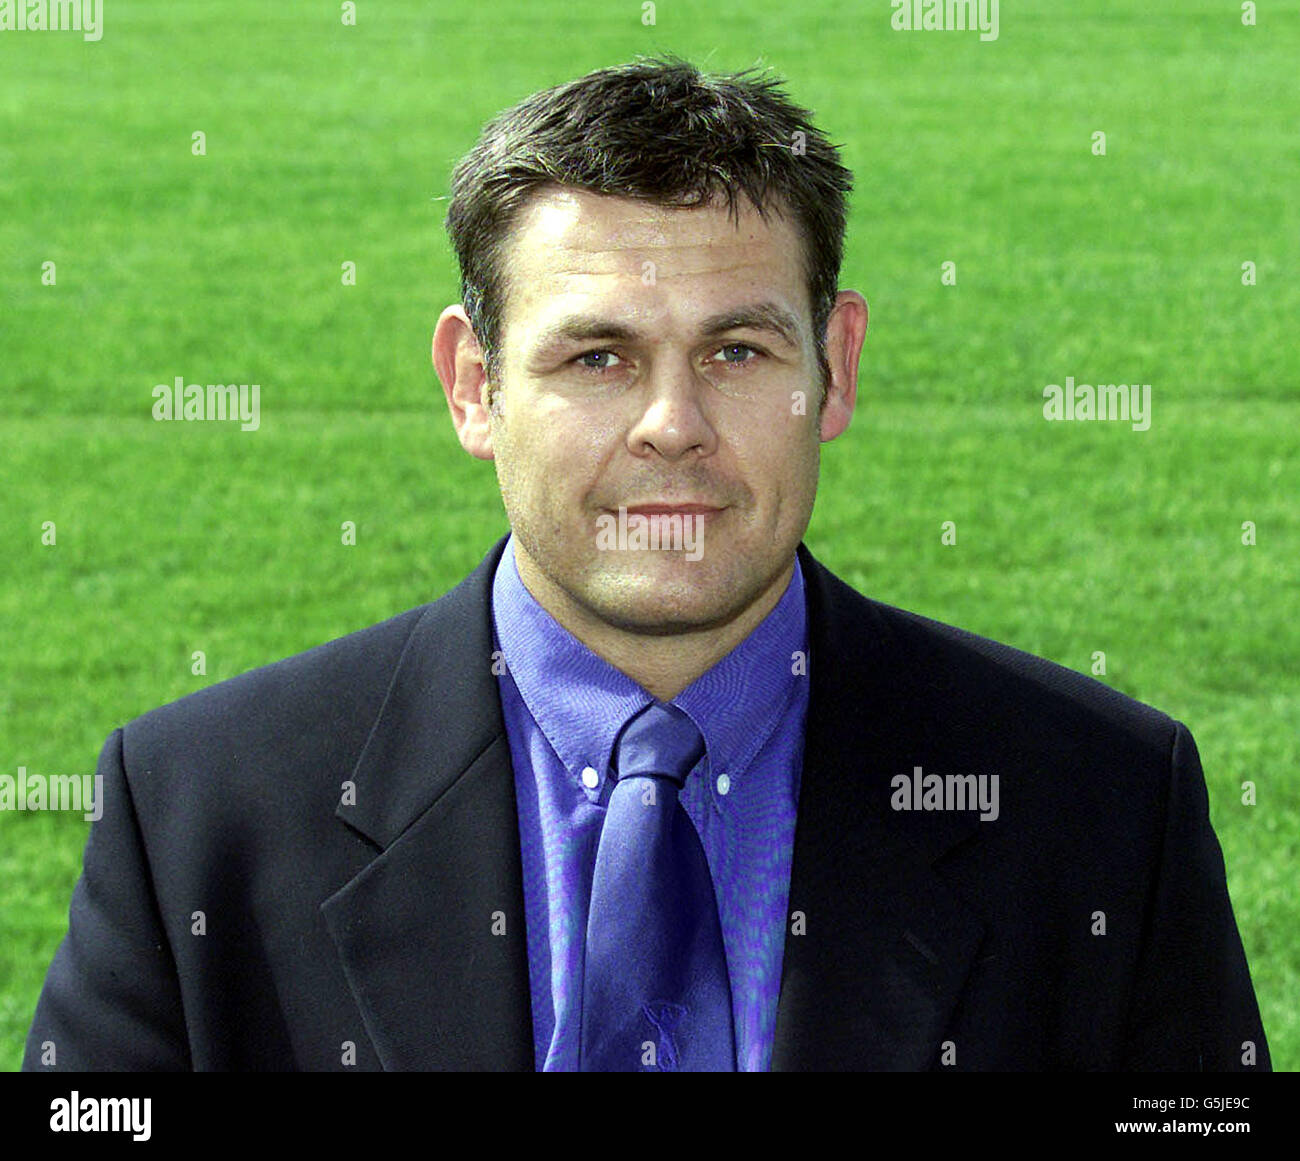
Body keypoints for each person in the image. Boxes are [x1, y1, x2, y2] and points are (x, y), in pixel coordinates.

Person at [24, 57, 1269, 1072]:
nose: (670, 422)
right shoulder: (195, 814)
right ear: (475, 386)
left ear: (833, 367)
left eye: (735, 351)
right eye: (596, 358)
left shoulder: (1100, 807)